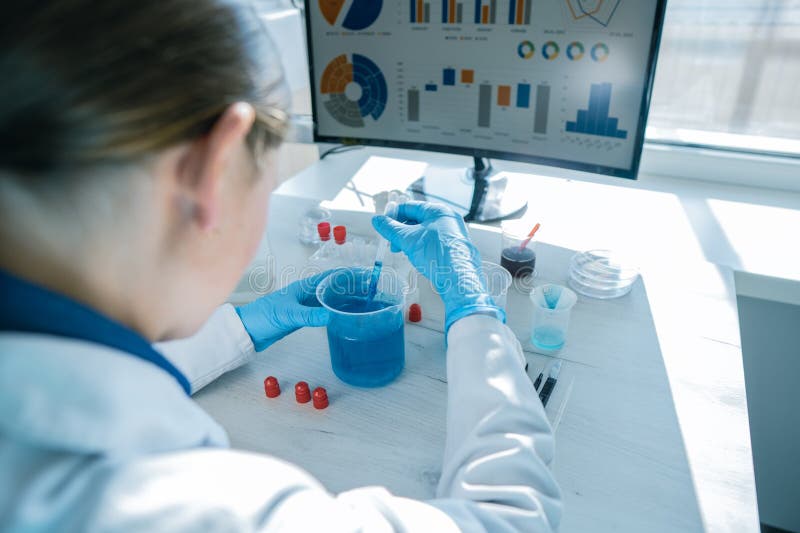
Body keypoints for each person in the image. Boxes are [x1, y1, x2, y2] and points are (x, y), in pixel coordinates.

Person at [0, 1, 562, 531]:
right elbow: (510, 517)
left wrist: (241, 326)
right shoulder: (204, 509)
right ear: (212, 171)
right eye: (266, 175)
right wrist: (475, 310)